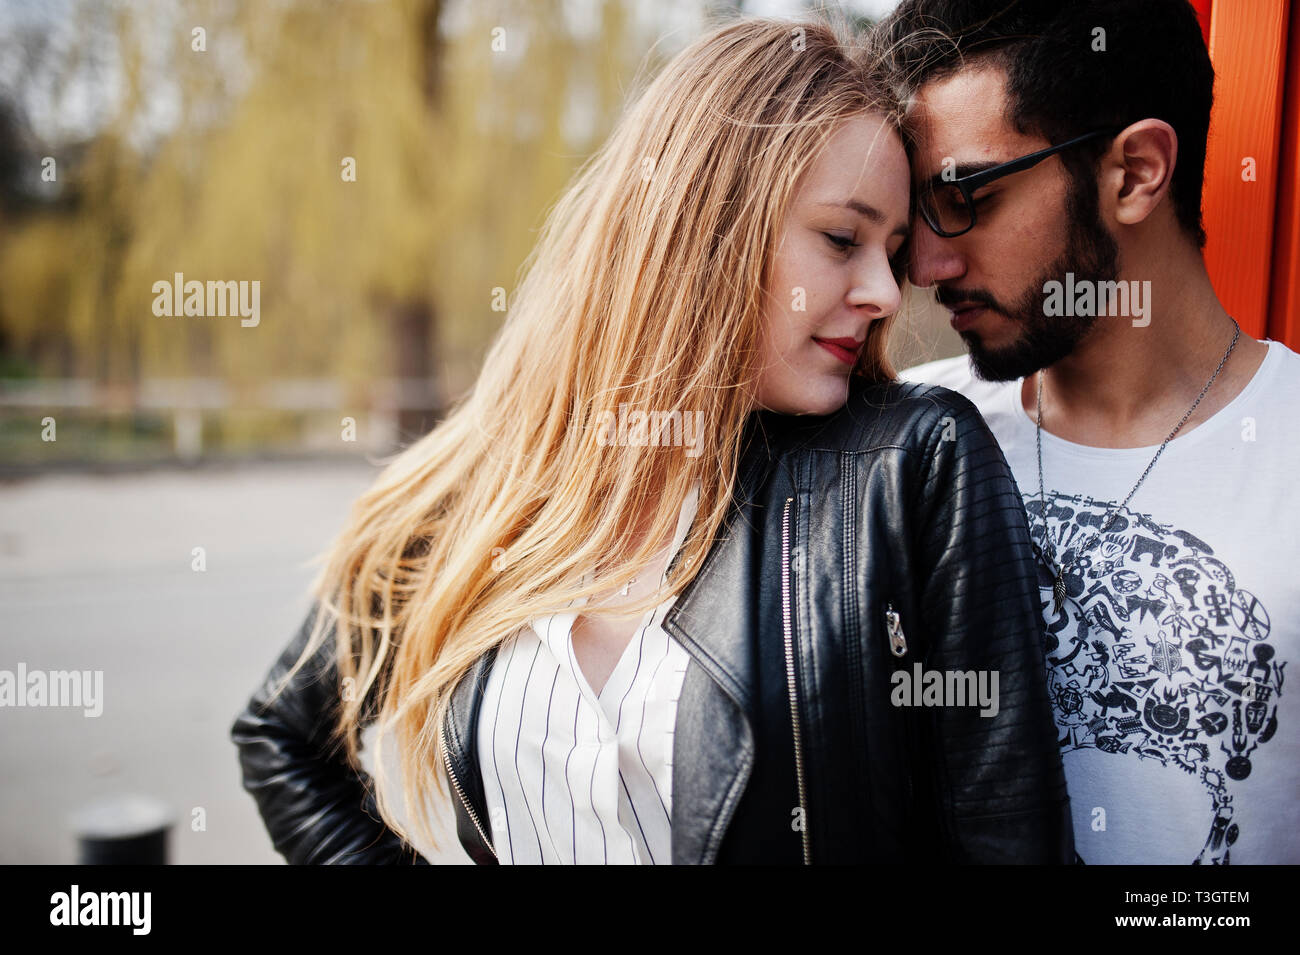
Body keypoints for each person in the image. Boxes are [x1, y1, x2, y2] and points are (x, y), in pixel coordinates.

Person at [230, 14, 1072, 865]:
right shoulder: (477, 487)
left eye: (892, 252)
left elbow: (1008, 841)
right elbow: (281, 735)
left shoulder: (908, 470)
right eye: (842, 239)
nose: (887, 294)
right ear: (703, 225)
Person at [878, 0, 1300, 863]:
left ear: (1137, 172)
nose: (925, 266)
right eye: (913, 213)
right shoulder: (895, 446)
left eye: (964, 197)